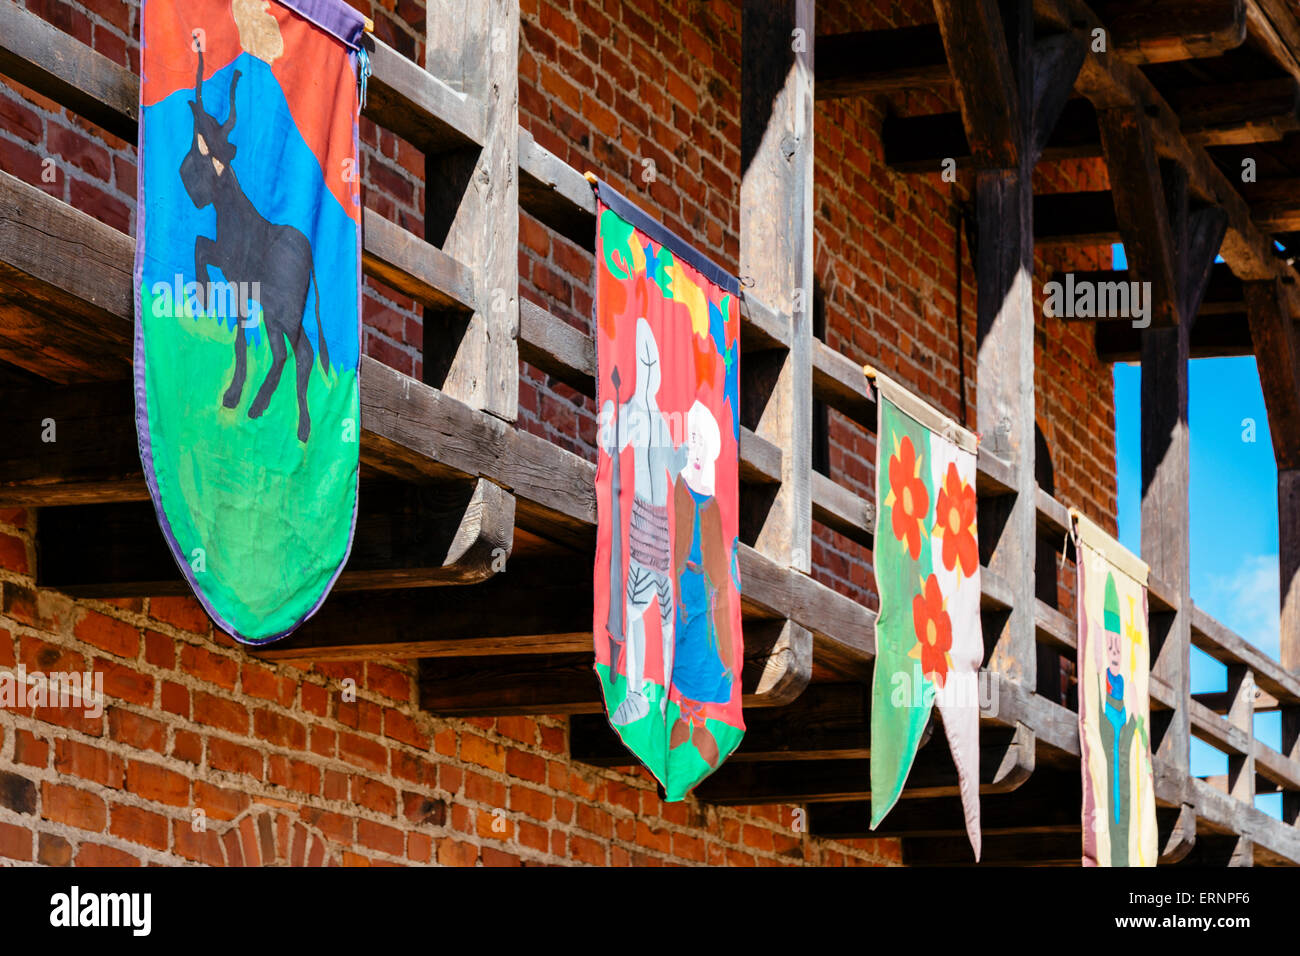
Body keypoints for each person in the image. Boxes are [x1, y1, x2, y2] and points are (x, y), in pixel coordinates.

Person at [668, 401, 735, 767]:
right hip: (682, 592)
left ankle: (696, 721)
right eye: (690, 439)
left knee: (704, 659)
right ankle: (682, 719)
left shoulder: (710, 505)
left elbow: (718, 562)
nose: (695, 449)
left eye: (701, 441)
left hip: (704, 598)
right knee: (683, 657)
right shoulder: (679, 489)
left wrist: (710, 581)